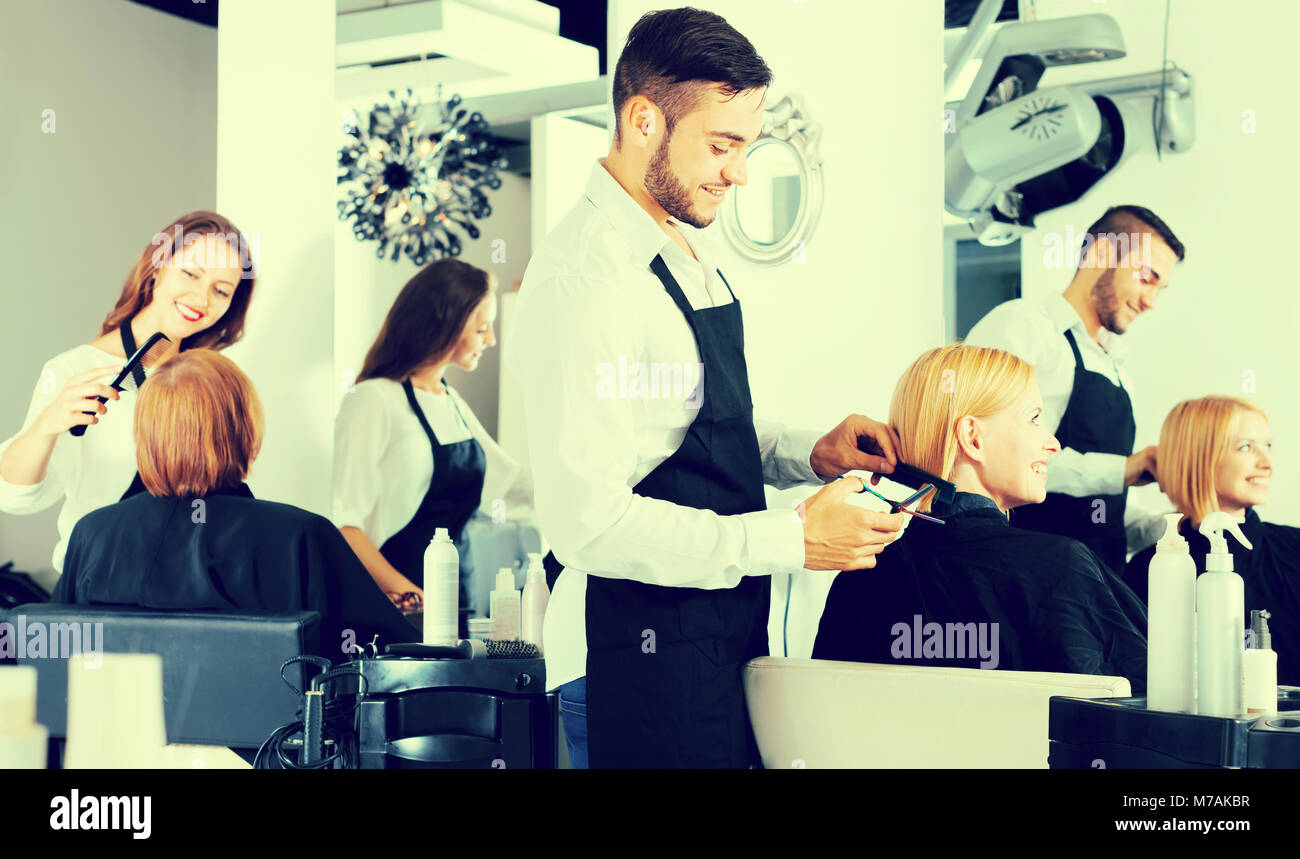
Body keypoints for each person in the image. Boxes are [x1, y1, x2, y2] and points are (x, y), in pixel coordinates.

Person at [508, 7, 906, 769]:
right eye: (722, 146)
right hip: (631, 658)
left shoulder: (679, 248)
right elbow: (585, 522)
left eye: (746, 147)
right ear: (644, 119)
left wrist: (804, 454)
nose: (739, 172)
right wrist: (790, 537)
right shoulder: (584, 281)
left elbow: (683, 431)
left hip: (710, 641)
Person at [813, 344, 1148, 691]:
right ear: (973, 437)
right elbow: (1152, 705)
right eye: (1034, 418)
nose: (1053, 443)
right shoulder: (1061, 566)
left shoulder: (861, 577)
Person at [51, 350, 417, 656]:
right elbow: (394, 659)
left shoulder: (91, 535)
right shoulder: (302, 536)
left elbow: (57, 658)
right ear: (246, 429)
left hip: (119, 741)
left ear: (145, 434)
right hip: (269, 744)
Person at [0, 211, 257, 575]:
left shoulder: (212, 383)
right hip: (100, 591)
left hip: (193, 588)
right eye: (190, 273)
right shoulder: (74, 371)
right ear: (158, 267)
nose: (201, 297)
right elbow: (13, 498)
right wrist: (46, 425)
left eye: (221, 290)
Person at [965, 205, 1185, 574]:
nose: (1151, 302)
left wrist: (1174, 528)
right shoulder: (1023, 328)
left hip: (1098, 582)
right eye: (1146, 278)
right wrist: (1126, 469)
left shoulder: (1116, 367)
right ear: (1099, 253)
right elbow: (995, 456)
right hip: (1027, 575)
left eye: (1160, 289)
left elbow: (1096, 511)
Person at [333, 259, 531, 625]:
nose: (490, 340)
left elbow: (512, 482)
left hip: (457, 600)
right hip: (397, 604)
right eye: (482, 327)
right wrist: (415, 598)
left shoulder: (450, 401)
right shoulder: (373, 399)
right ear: (445, 323)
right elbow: (348, 528)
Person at [1125, 397, 1298, 686]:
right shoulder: (1148, 572)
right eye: (1245, 447)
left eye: (1267, 446)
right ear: (1198, 457)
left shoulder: (1294, 550)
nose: (1267, 463)